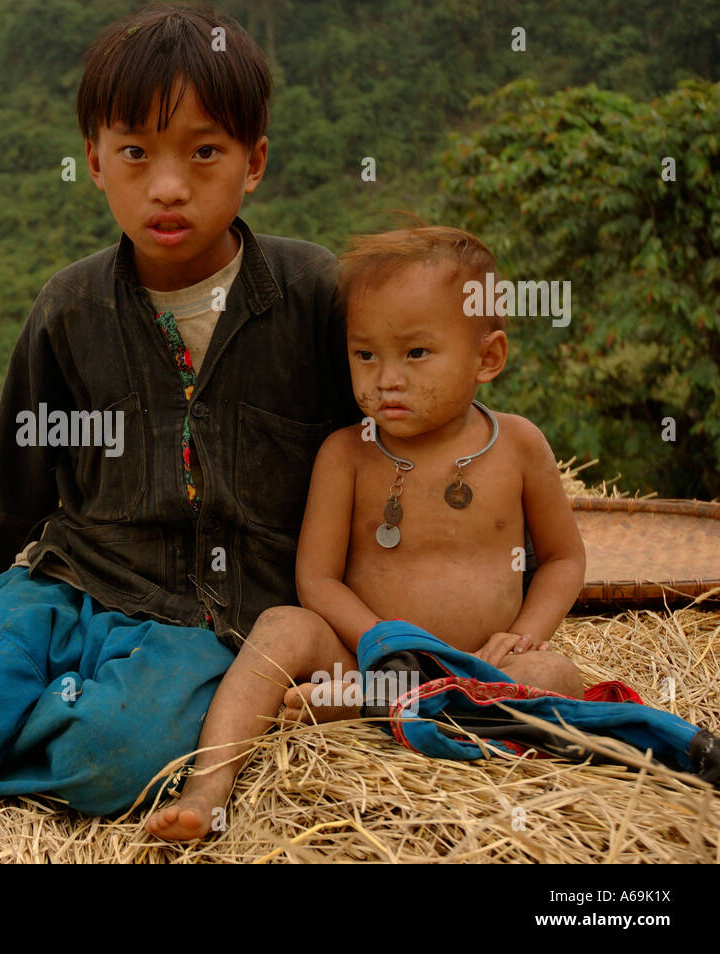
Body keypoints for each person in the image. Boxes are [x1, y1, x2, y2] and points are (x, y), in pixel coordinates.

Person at [0, 2, 362, 817]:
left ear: (255, 162)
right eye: (135, 153)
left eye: (204, 152)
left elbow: (378, 457)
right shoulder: (70, 307)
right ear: (96, 161)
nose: (168, 186)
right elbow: (15, 482)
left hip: (213, 619)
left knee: (117, 759)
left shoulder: (312, 294)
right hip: (72, 583)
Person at [146, 224, 587, 840]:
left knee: (560, 681)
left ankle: (375, 701)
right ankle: (209, 786)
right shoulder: (347, 454)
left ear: (487, 358)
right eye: (365, 355)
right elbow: (316, 579)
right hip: (360, 655)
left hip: (482, 667)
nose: (386, 379)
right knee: (283, 626)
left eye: (416, 353)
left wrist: (524, 637)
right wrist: (379, 640)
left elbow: (565, 558)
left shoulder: (517, 446)